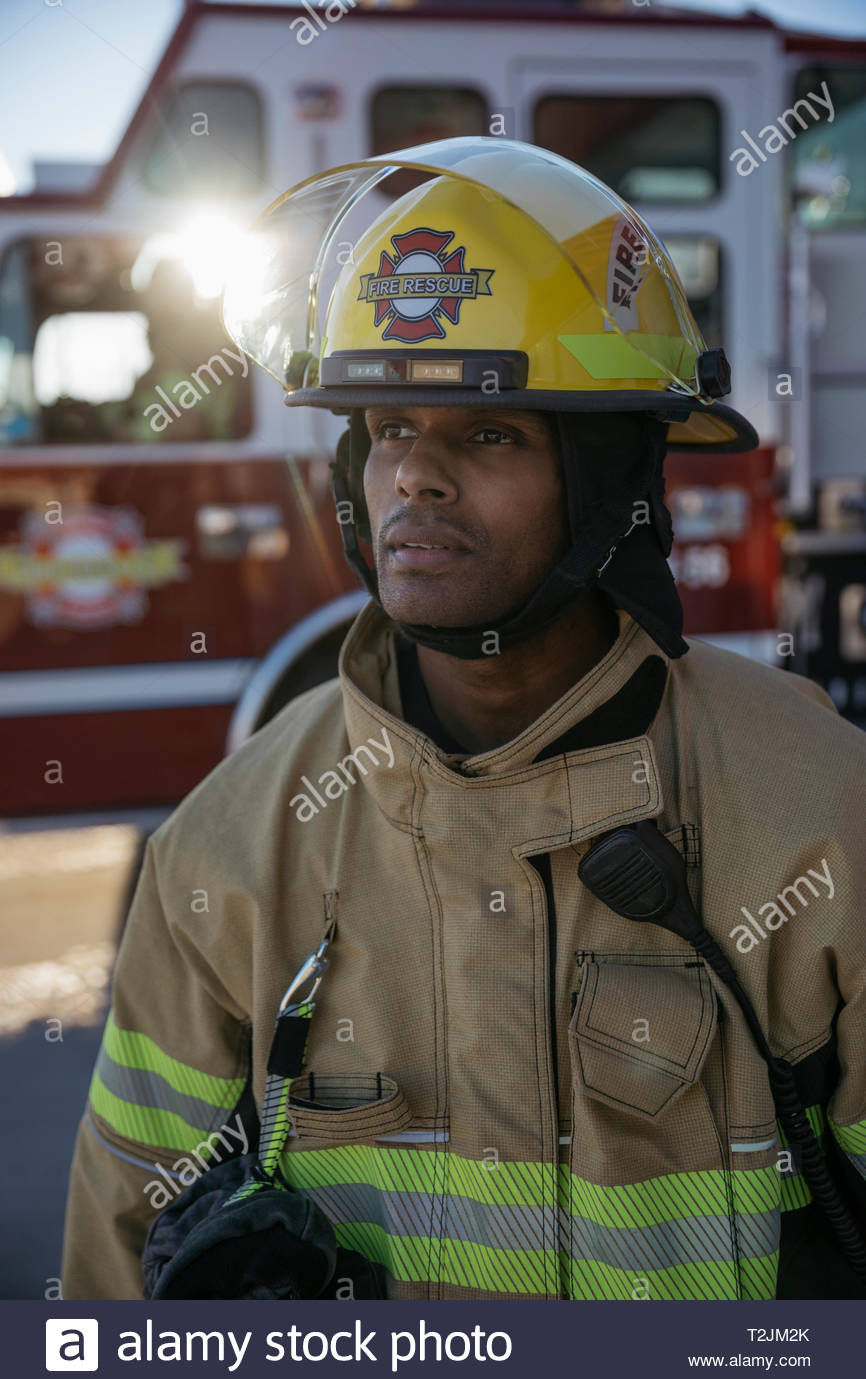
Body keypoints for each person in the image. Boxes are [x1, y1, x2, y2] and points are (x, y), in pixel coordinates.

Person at [61, 138, 866, 1301]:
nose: (415, 480)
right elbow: (107, 1283)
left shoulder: (817, 811)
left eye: (486, 433)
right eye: (387, 429)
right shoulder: (227, 850)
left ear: (607, 481)